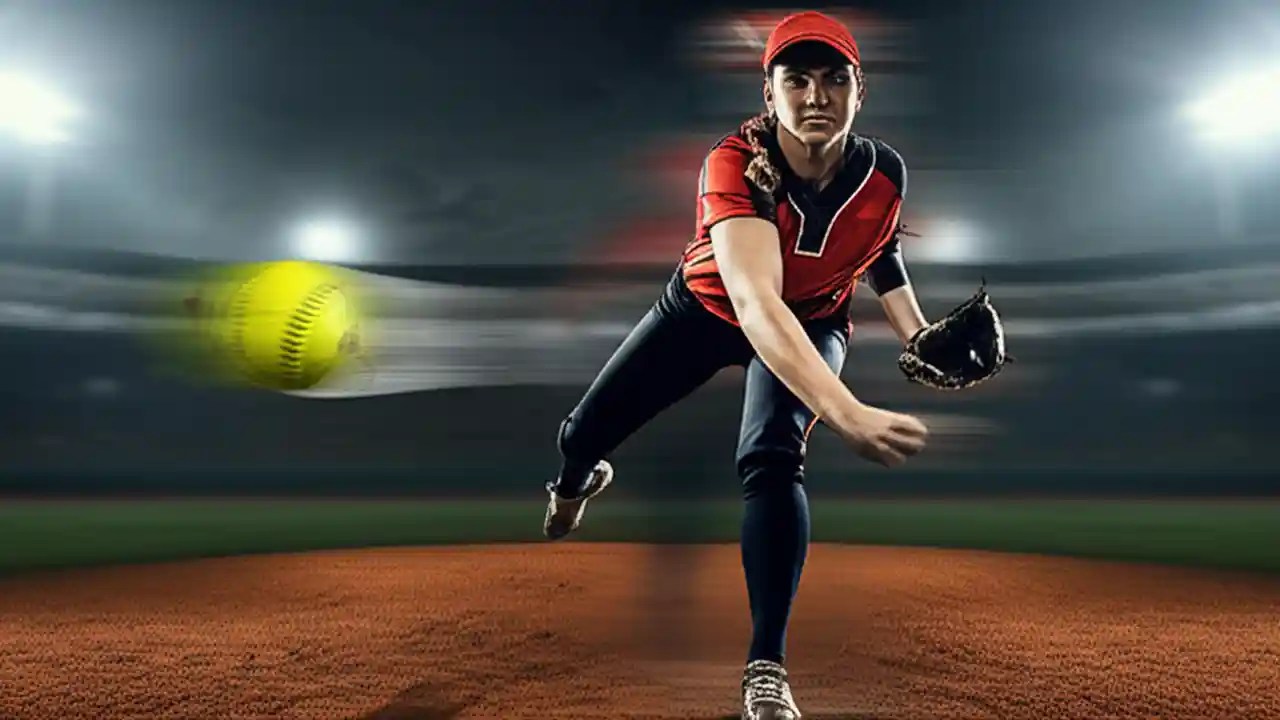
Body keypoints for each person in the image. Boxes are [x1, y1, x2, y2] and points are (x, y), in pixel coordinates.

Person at [544, 11, 932, 720]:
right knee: (582, 432)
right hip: (708, 312)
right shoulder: (733, 163)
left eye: (834, 79)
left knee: (771, 455)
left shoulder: (886, 172)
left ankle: (766, 668)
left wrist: (917, 333)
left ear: (860, 91)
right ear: (770, 94)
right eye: (798, 79)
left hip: (815, 319)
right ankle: (577, 478)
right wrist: (846, 412)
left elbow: (877, 251)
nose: (817, 95)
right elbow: (756, 307)